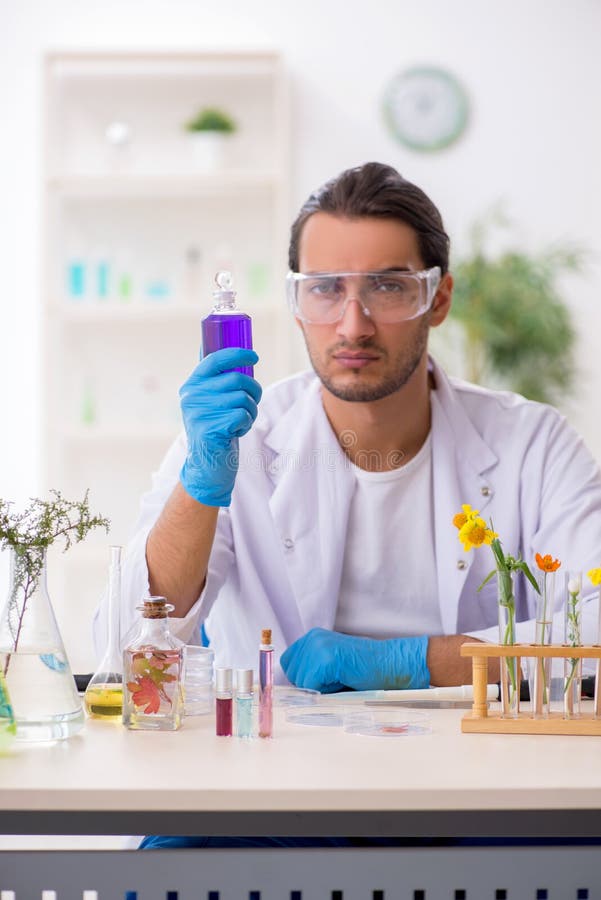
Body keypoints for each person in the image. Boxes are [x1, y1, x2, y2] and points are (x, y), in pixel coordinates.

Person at [94, 161, 601, 693]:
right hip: (278, 762)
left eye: (387, 287)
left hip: (475, 764)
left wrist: (418, 662)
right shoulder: (232, 438)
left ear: (438, 299)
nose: (353, 324)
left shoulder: (535, 444)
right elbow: (125, 650)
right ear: (297, 303)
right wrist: (199, 483)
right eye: (325, 289)